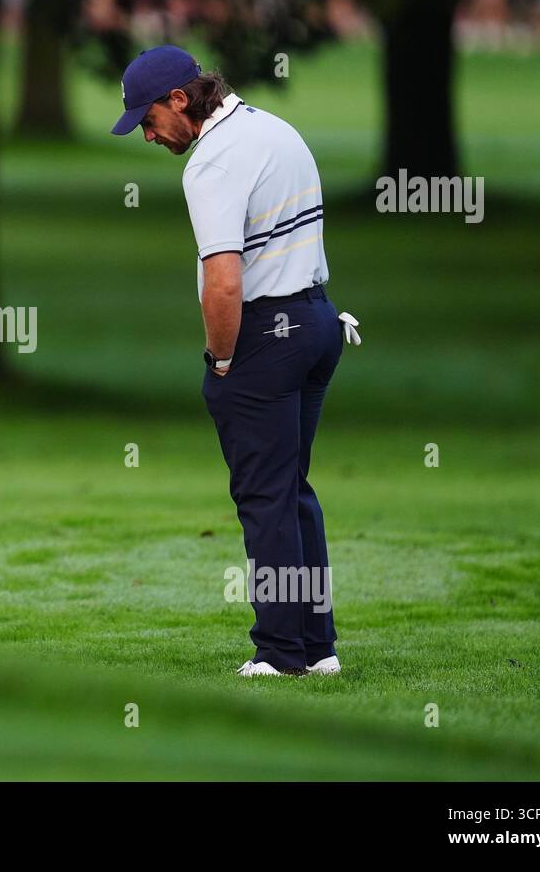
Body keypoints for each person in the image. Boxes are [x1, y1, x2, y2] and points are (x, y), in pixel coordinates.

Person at [111, 45, 348, 677]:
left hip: (267, 337)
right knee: (293, 490)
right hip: (319, 321)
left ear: (180, 101)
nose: (148, 134)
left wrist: (221, 362)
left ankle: (278, 653)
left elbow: (223, 281)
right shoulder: (275, 129)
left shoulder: (211, 163)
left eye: (148, 118)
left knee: (265, 497)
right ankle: (317, 647)